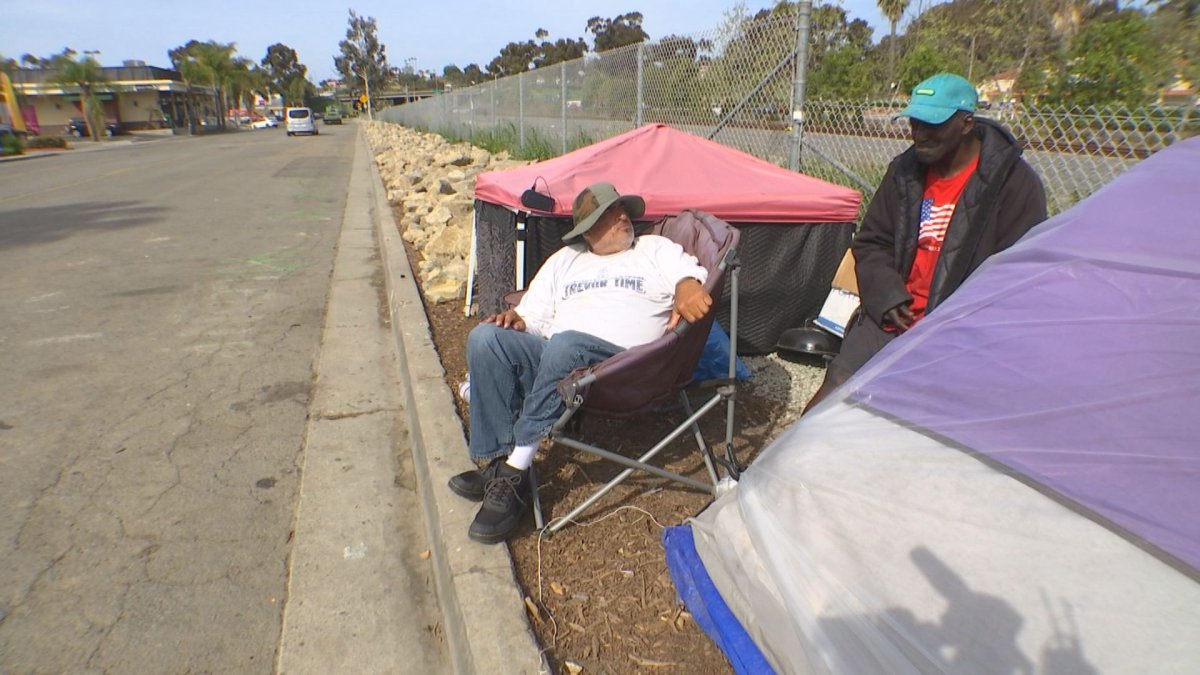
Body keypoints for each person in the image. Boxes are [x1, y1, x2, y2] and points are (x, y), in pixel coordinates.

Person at [451, 182, 713, 544]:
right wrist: (517, 322)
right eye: (609, 213)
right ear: (587, 229)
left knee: (566, 343)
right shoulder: (565, 260)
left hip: (624, 367)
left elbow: (690, 274)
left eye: (622, 208)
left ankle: (516, 473)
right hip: (560, 357)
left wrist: (685, 288)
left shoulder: (652, 248)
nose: (623, 216)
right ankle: (498, 462)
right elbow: (534, 316)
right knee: (486, 339)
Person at [804, 72, 1047, 413]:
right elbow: (872, 242)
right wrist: (887, 296)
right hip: (893, 316)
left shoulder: (1014, 184)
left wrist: (952, 324)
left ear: (966, 123)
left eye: (931, 125)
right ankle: (782, 461)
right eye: (914, 123)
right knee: (837, 387)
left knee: (925, 421)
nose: (918, 134)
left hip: (960, 334)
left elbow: (1018, 275)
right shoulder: (903, 172)